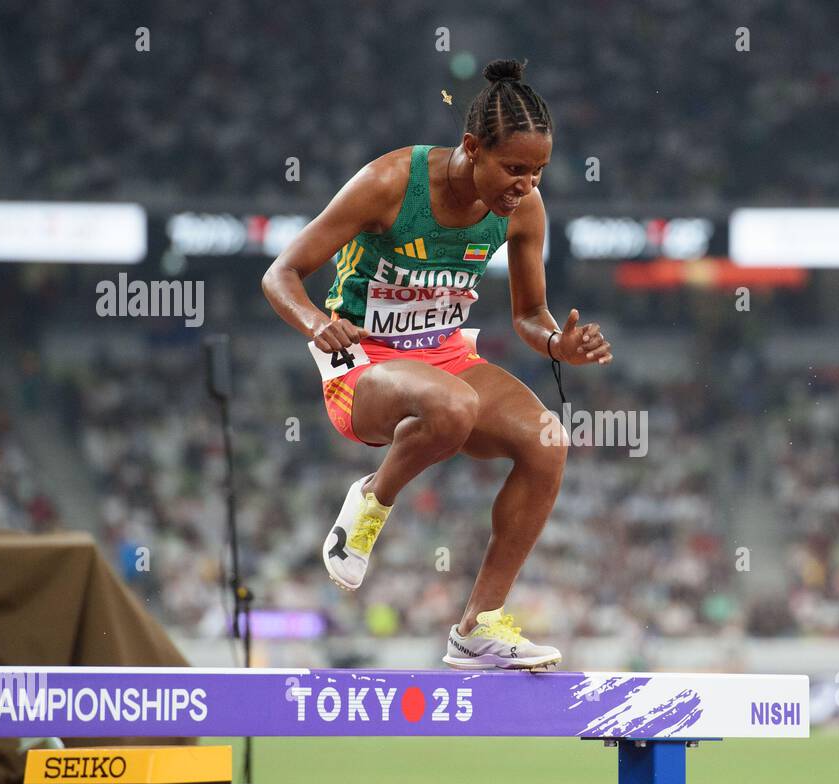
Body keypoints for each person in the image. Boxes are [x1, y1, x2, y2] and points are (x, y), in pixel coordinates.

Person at [262, 59, 612, 670]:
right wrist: (320, 324)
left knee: (548, 440)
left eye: (538, 172)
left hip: (446, 355)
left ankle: (478, 628)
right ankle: (371, 503)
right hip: (362, 365)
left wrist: (558, 344)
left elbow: (532, 314)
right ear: (472, 147)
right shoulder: (389, 183)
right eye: (513, 168)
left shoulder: (524, 209)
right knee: (452, 404)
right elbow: (280, 273)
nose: (525, 185)